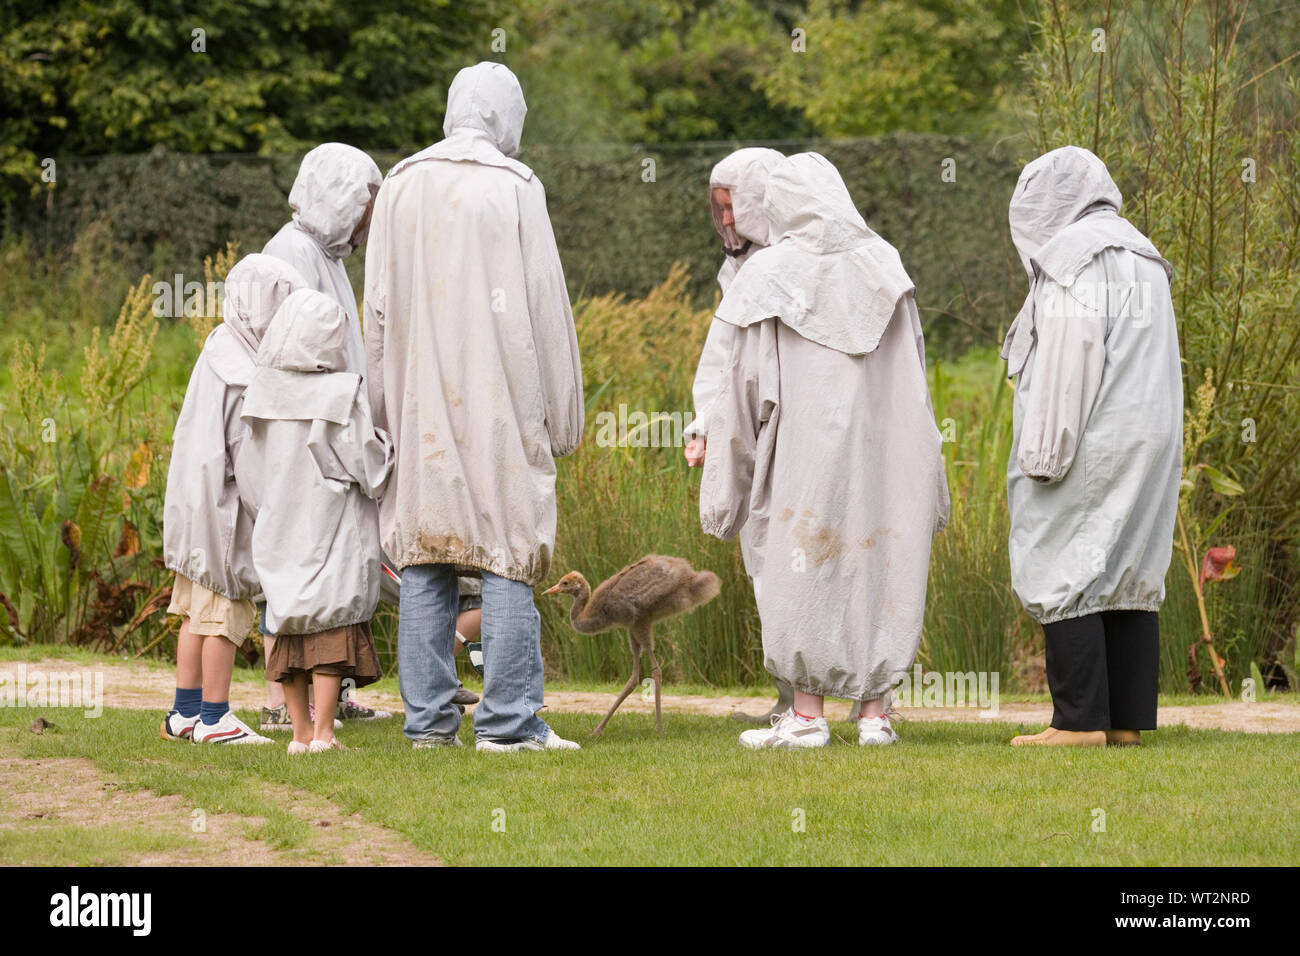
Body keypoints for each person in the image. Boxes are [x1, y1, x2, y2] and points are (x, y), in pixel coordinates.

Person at [365, 61, 585, 752]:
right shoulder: (515, 188)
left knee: (425, 552)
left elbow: (376, 314)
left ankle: (428, 723)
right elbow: (547, 310)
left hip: (417, 404)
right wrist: (565, 419)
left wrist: (380, 416)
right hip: (503, 402)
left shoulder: (399, 185)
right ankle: (509, 724)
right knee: (509, 552)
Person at [699, 152, 949, 749]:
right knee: (881, 563)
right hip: (889, 454)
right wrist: (931, 483)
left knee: (800, 565)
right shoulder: (886, 266)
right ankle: (874, 717)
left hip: (800, 456)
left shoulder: (768, 276)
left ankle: (807, 717)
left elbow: (743, 395)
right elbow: (918, 381)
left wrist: (723, 496)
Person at [1001, 146, 1181, 748]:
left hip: (1093, 435)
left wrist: (1042, 456)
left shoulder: (1074, 261)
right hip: (1149, 436)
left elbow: (1066, 360)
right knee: (1127, 564)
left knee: (1065, 559)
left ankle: (1077, 724)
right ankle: (1123, 722)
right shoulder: (1143, 254)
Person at [260, 142, 389, 730]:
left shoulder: (328, 257)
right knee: (305, 575)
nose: (369, 218)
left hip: (333, 437)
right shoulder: (290, 253)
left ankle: (329, 698)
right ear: (342, 197)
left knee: (336, 578)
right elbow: (292, 350)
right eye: (366, 203)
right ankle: (291, 706)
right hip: (311, 445)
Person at [234, 288, 392, 753]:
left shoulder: (261, 394)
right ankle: (323, 732)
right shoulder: (343, 395)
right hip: (332, 525)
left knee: (288, 630)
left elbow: (248, 471)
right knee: (330, 628)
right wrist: (387, 458)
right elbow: (367, 463)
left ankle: (299, 734)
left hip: (279, 525)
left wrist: (265, 510)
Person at [160, 254, 305, 745]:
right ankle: (216, 717)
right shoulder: (244, 373)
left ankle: (184, 711)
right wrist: (274, 509)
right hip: (222, 508)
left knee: (194, 611)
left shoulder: (217, 348)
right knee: (226, 613)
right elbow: (249, 461)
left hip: (192, 501)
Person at [684, 147, 794, 722]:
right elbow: (722, 363)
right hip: (752, 438)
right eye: (719, 209)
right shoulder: (739, 271)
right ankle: (790, 698)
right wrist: (705, 425)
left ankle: (860, 701)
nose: (726, 220)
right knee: (765, 563)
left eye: (736, 208)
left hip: (796, 438)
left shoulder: (796, 263)